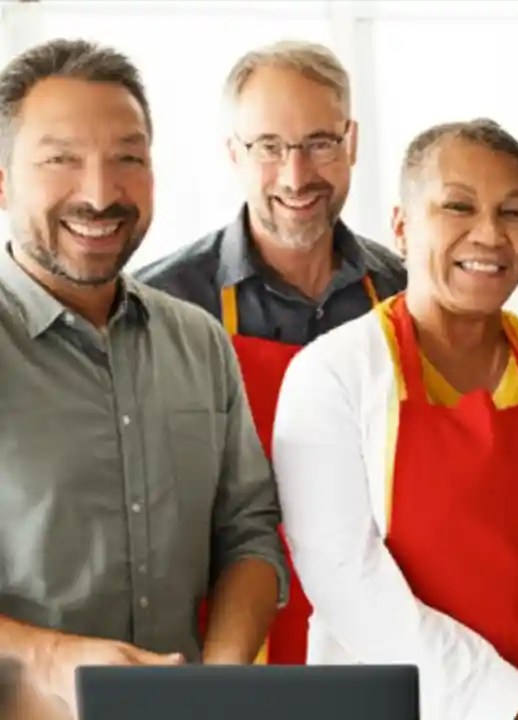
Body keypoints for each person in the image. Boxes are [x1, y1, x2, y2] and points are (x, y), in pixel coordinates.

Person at [271, 119, 518, 719]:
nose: (490, 235)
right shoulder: (332, 375)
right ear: (401, 226)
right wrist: (515, 707)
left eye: (514, 212)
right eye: (458, 207)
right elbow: (347, 579)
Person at [0, 38, 285, 717]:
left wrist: (216, 684)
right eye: (60, 159)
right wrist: (50, 659)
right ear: (4, 179)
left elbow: (249, 531)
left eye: (128, 158)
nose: (100, 193)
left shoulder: (199, 342)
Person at [135, 41, 405, 665]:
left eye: (319, 142)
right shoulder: (161, 303)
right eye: (269, 148)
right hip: (228, 636)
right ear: (234, 153)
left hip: (382, 630)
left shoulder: (405, 293)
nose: (296, 174)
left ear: (352, 143)